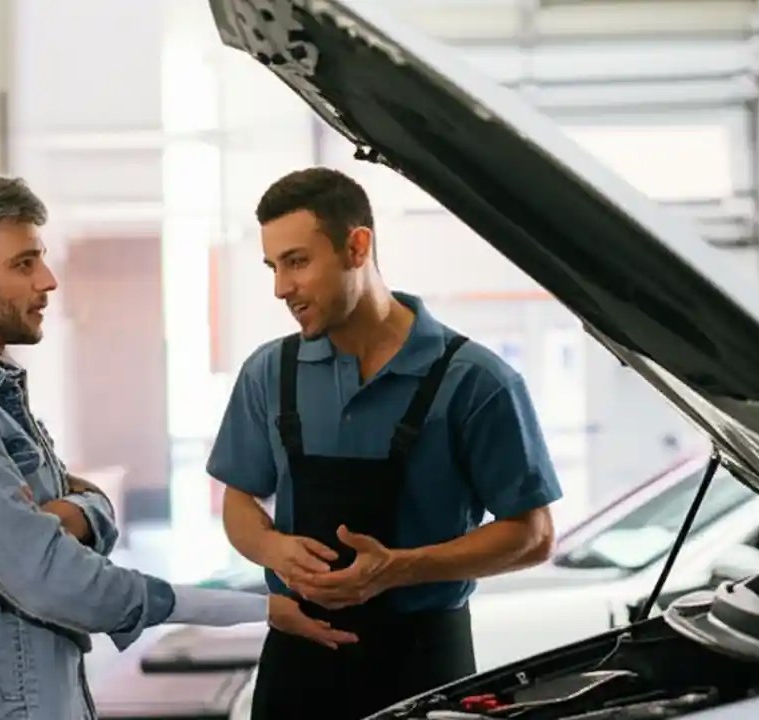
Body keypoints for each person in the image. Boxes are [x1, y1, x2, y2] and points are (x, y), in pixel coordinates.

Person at [0, 172, 267, 720]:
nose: (48, 280)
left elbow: (86, 502)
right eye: (24, 264)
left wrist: (78, 514)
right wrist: (247, 609)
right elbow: (47, 575)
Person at [208, 167, 565, 719]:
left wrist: (399, 567)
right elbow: (239, 501)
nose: (281, 288)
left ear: (357, 246)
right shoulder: (269, 373)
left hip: (426, 665)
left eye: (298, 262)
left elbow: (533, 535)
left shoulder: (475, 381)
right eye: (273, 267)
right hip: (297, 660)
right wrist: (272, 549)